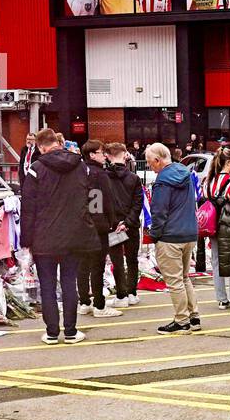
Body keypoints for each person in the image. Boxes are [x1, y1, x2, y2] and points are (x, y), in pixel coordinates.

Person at [21, 128, 97, 344]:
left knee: (47, 285)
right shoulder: (80, 165)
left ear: (40, 147)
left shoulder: (36, 169)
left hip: (44, 238)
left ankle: (52, 332)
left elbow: (28, 207)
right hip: (74, 235)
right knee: (69, 283)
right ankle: (71, 331)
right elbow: (90, 197)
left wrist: (26, 241)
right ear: (57, 143)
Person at [146, 142, 201, 334]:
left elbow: (159, 212)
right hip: (189, 233)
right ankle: (193, 317)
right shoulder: (184, 173)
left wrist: (154, 235)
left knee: (175, 281)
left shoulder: (162, 181)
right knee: (185, 278)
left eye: (149, 162)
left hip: (170, 236)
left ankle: (182, 321)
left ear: (157, 160)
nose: (149, 167)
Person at [76, 140, 124, 320]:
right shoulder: (100, 174)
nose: (105, 155)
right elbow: (108, 201)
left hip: (81, 225)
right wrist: (112, 222)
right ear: (92, 155)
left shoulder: (79, 172)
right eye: (101, 152)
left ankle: (84, 302)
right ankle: (99, 304)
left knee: (82, 266)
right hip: (99, 224)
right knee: (97, 266)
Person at [203, 146, 230, 311]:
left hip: (213, 227)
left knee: (216, 262)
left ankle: (222, 300)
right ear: (228, 162)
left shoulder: (208, 181)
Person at [104, 142, 142, 306]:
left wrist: (115, 223)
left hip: (113, 226)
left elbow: (102, 203)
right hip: (130, 225)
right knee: (132, 259)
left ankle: (121, 295)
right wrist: (127, 222)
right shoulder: (134, 178)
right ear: (125, 155)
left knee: (117, 260)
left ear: (108, 156)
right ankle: (132, 292)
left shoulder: (104, 177)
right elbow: (138, 203)